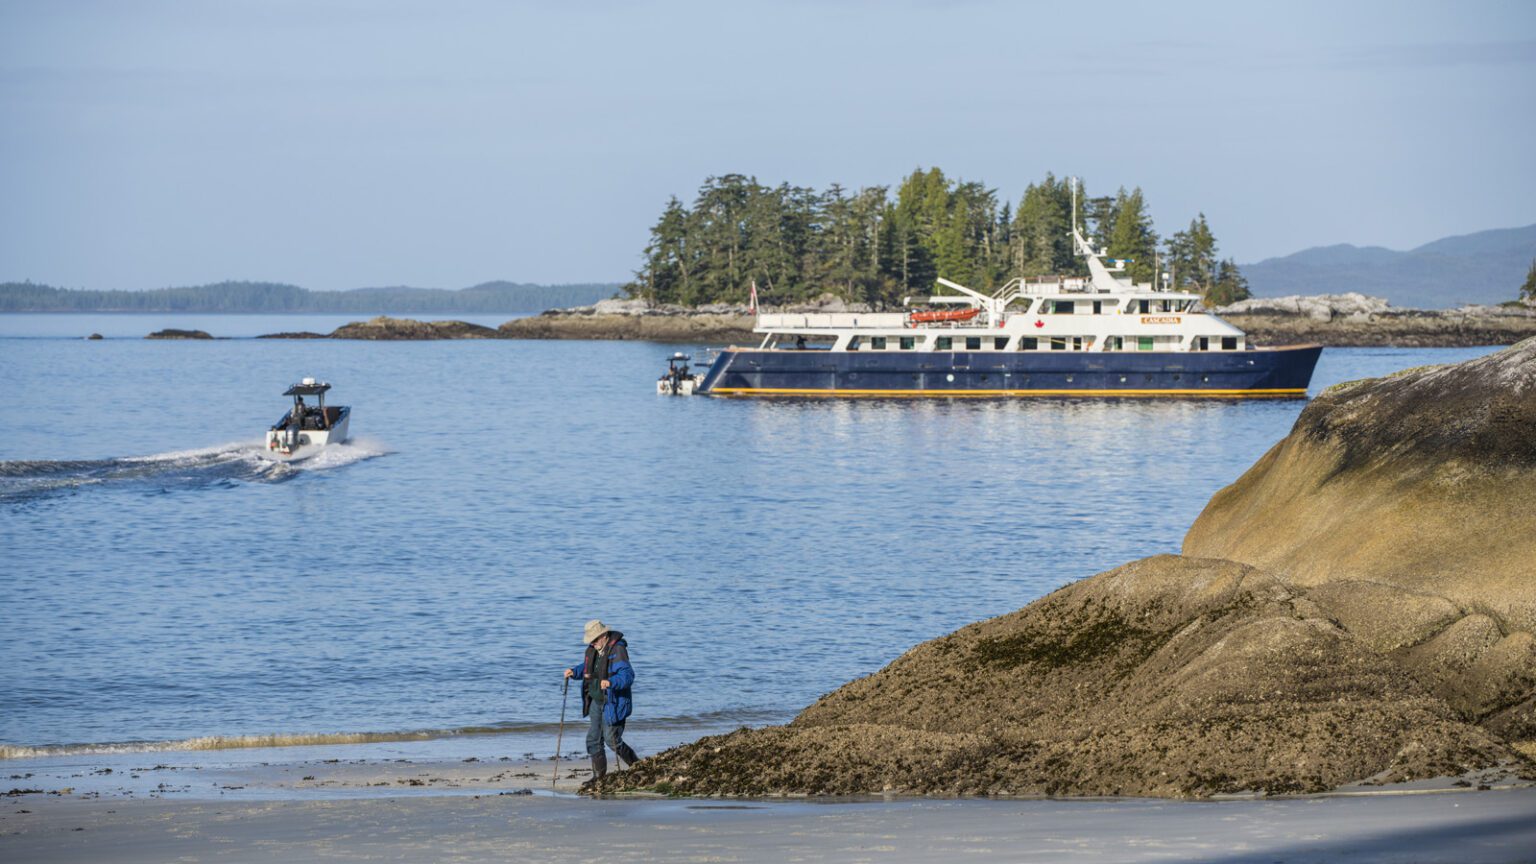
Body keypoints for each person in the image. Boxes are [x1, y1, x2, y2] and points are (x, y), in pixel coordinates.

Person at [563, 619, 639, 779]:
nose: (593, 643)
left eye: (595, 639)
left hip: (613, 702)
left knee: (612, 740)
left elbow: (628, 675)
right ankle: (599, 777)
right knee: (593, 740)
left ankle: (638, 767)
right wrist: (574, 672)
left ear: (604, 635)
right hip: (596, 701)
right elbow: (587, 668)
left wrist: (611, 682)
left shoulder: (618, 650)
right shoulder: (594, 650)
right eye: (591, 641)